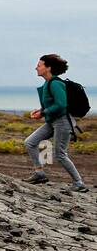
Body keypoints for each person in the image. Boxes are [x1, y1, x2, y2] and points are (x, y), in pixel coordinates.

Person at [24, 54, 88, 193]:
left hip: (62, 122)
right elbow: (52, 104)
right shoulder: (47, 84)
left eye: (39, 65)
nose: (36, 68)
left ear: (48, 68)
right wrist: (40, 110)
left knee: (60, 154)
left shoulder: (55, 83)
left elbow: (61, 104)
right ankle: (39, 173)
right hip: (52, 122)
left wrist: (43, 113)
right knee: (30, 142)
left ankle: (79, 183)